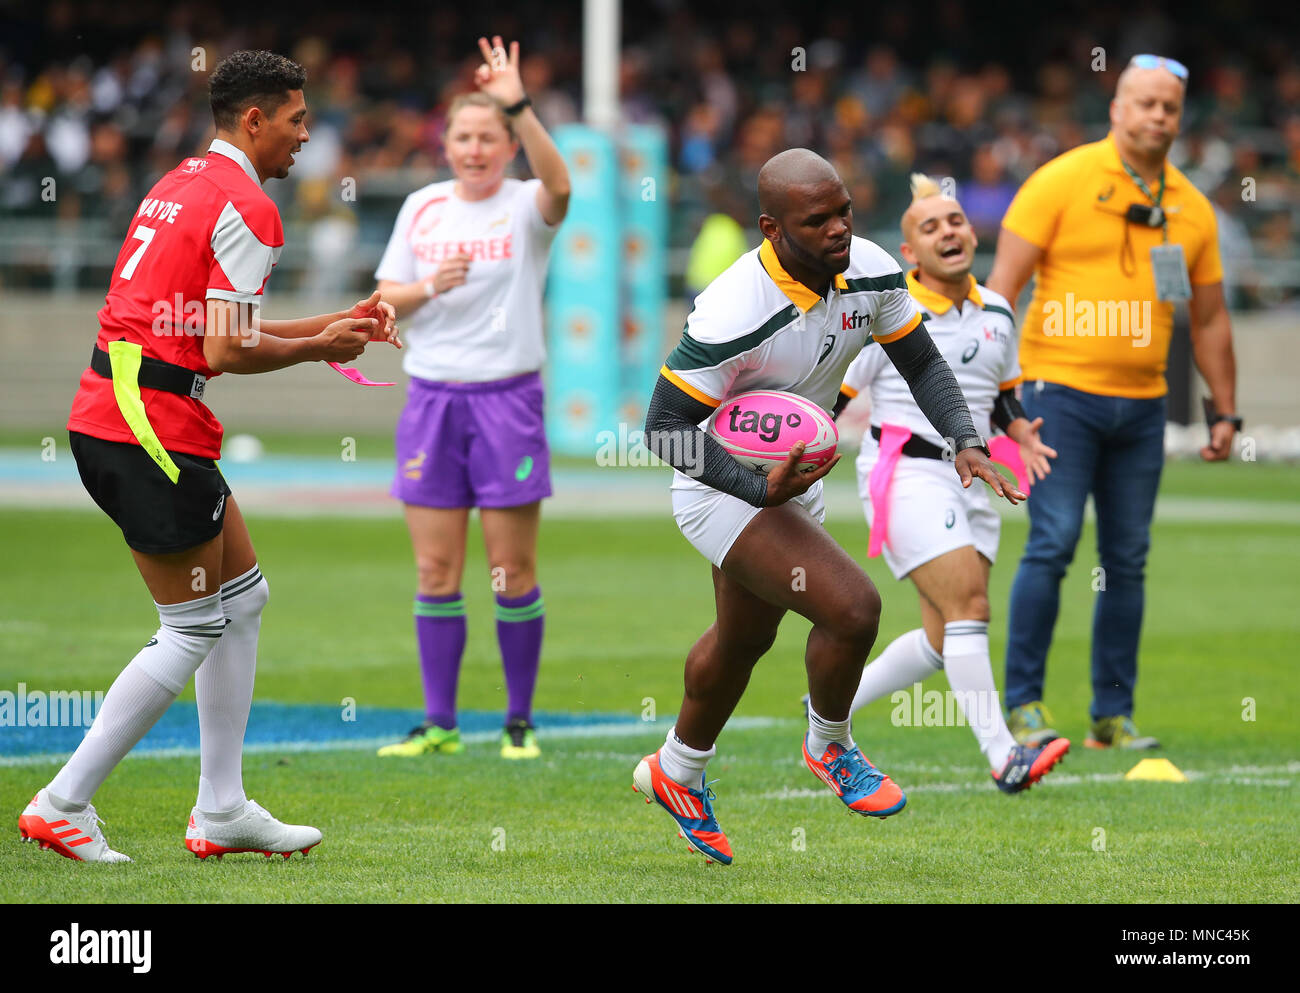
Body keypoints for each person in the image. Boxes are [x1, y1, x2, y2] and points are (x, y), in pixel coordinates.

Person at [18, 50, 398, 863]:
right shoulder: (251, 206)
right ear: (255, 120)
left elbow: (195, 332)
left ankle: (221, 808)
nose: (308, 133)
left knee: (244, 597)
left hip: (122, 407)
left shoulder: (180, 181)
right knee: (191, 625)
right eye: (297, 118)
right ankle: (62, 801)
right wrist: (312, 347)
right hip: (150, 425)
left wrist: (329, 328)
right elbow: (223, 351)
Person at [636, 149, 1024, 866]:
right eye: (818, 220)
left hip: (788, 480)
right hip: (723, 486)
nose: (840, 228)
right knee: (853, 608)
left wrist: (967, 439)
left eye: (844, 210)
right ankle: (832, 747)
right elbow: (662, 428)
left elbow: (922, 363)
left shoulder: (872, 269)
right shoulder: (733, 309)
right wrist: (757, 489)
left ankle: (677, 768)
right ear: (771, 227)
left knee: (742, 640)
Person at [988, 56, 1239, 749]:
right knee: (1054, 540)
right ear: (1117, 108)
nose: (1159, 116)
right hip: (1053, 396)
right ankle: (1025, 705)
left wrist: (1226, 410)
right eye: (1146, 103)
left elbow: (1212, 318)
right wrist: (990, 395)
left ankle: (1112, 715)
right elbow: (999, 292)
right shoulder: (1060, 180)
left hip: (1143, 407)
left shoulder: (1191, 207)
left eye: (1170, 107)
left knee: (1127, 558)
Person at [837, 174, 1068, 792]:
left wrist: (1019, 430)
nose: (949, 231)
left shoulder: (998, 308)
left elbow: (1001, 395)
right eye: (930, 226)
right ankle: (1004, 756)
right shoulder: (887, 311)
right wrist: (799, 448)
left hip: (977, 474)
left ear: (972, 233)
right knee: (970, 605)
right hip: (906, 470)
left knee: (945, 638)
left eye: (956, 221)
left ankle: (828, 711)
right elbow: (834, 394)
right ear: (909, 253)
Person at [373, 36, 570, 761]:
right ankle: (440, 724)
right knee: (435, 572)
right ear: (446, 143)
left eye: (491, 137)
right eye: (464, 136)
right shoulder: (423, 208)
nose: (476, 148)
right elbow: (386, 296)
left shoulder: (525, 204)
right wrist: (429, 287)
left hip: (506, 401)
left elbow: (564, 185)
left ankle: (518, 722)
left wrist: (518, 101)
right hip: (431, 401)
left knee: (511, 571)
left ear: (511, 146)